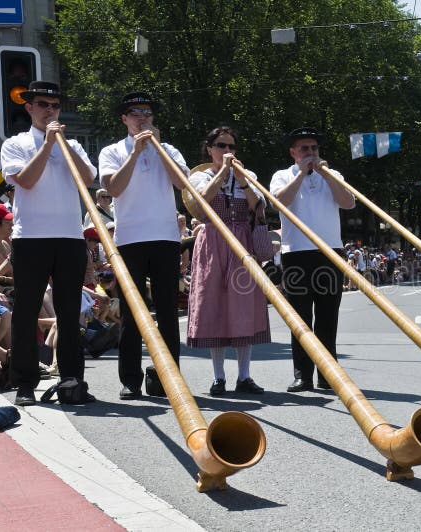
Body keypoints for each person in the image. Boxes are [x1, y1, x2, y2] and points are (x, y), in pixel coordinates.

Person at [0, 81, 97, 406]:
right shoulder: (15, 144)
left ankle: (72, 380)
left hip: (69, 237)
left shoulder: (73, 146)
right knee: (26, 311)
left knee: (70, 313)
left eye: (54, 106)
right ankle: (25, 382)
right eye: (42, 105)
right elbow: (25, 180)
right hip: (30, 238)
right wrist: (47, 145)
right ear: (29, 108)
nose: (49, 111)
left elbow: (88, 179)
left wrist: (63, 144)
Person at [99, 91, 188, 400]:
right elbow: (113, 188)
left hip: (165, 238)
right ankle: (130, 380)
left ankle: (170, 378)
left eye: (147, 113)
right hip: (129, 240)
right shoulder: (112, 151)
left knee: (167, 311)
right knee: (131, 312)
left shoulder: (169, 150)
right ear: (124, 119)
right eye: (135, 113)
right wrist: (135, 153)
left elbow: (183, 184)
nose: (143, 118)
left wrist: (159, 150)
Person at [270, 127, 355, 392]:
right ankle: (303, 375)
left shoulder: (333, 174)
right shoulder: (282, 176)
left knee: (328, 316)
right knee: (301, 317)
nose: (311, 153)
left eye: (314, 148)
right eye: (305, 149)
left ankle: (328, 375)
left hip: (330, 252)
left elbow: (348, 203)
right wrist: (301, 176)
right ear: (293, 153)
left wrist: (325, 176)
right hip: (295, 252)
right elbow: (279, 203)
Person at [187, 126, 269, 395]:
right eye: (221, 146)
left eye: (231, 146)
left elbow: (260, 207)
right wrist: (223, 171)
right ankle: (218, 376)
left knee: (243, 305)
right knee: (215, 305)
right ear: (209, 149)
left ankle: (244, 376)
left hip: (243, 241)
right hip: (212, 241)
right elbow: (201, 203)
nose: (227, 151)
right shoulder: (200, 176)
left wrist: (242, 180)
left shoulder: (249, 175)